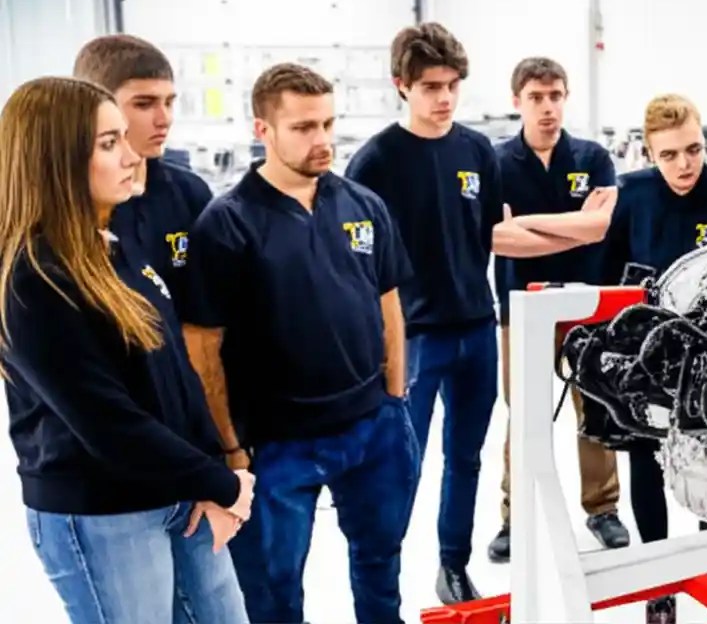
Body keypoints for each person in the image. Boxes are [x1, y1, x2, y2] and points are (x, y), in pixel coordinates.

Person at [0, 76, 253, 624]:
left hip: (178, 490)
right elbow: (106, 421)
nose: (133, 156)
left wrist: (211, 470)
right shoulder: (34, 278)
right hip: (103, 511)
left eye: (124, 137)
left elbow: (175, 376)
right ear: (57, 160)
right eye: (109, 142)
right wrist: (221, 482)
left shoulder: (114, 247)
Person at [514, 94, 707, 624]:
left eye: (694, 150)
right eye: (670, 154)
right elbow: (602, 276)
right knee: (646, 465)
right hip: (645, 361)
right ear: (649, 152)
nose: (684, 164)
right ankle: (657, 578)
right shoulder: (630, 197)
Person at [182, 64, 417, 624]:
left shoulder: (362, 205)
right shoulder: (228, 224)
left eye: (329, 124)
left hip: (372, 427)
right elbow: (203, 346)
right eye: (304, 127)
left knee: (381, 565)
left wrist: (394, 400)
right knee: (274, 591)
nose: (323, 141)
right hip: (278, 445)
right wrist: (232, 449)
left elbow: (389, 306)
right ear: (263, 129)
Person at [345, 22, 502, 603]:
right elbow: (355, 265)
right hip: (413, 340)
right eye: (431, 86)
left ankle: (453, 565)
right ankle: (382, 582)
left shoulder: (477, 150)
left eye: (453, 85)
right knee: (399, 466)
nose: (444, 98)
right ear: (401, 86)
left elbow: (489, 234)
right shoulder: (375, 162)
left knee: (466, 458)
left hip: (476, 329)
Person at [486, 57, 631, 563]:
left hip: (588, 307)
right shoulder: (497, 163)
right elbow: (498, 240)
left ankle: (603, 509)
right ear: (517, 101)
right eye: (535, 98)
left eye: (555, 96)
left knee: (597, 409)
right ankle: (514, 517)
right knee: (522, 412)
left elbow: (601, 227)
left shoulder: (593, 157)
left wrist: (528, 226)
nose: (547, 108)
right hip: (521, 307)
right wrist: (573, 223)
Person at [73, 35, 214, 322]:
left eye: (169, 103)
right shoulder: (69, 205)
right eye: (144, 104)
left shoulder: (189, 193)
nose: (164, 119)